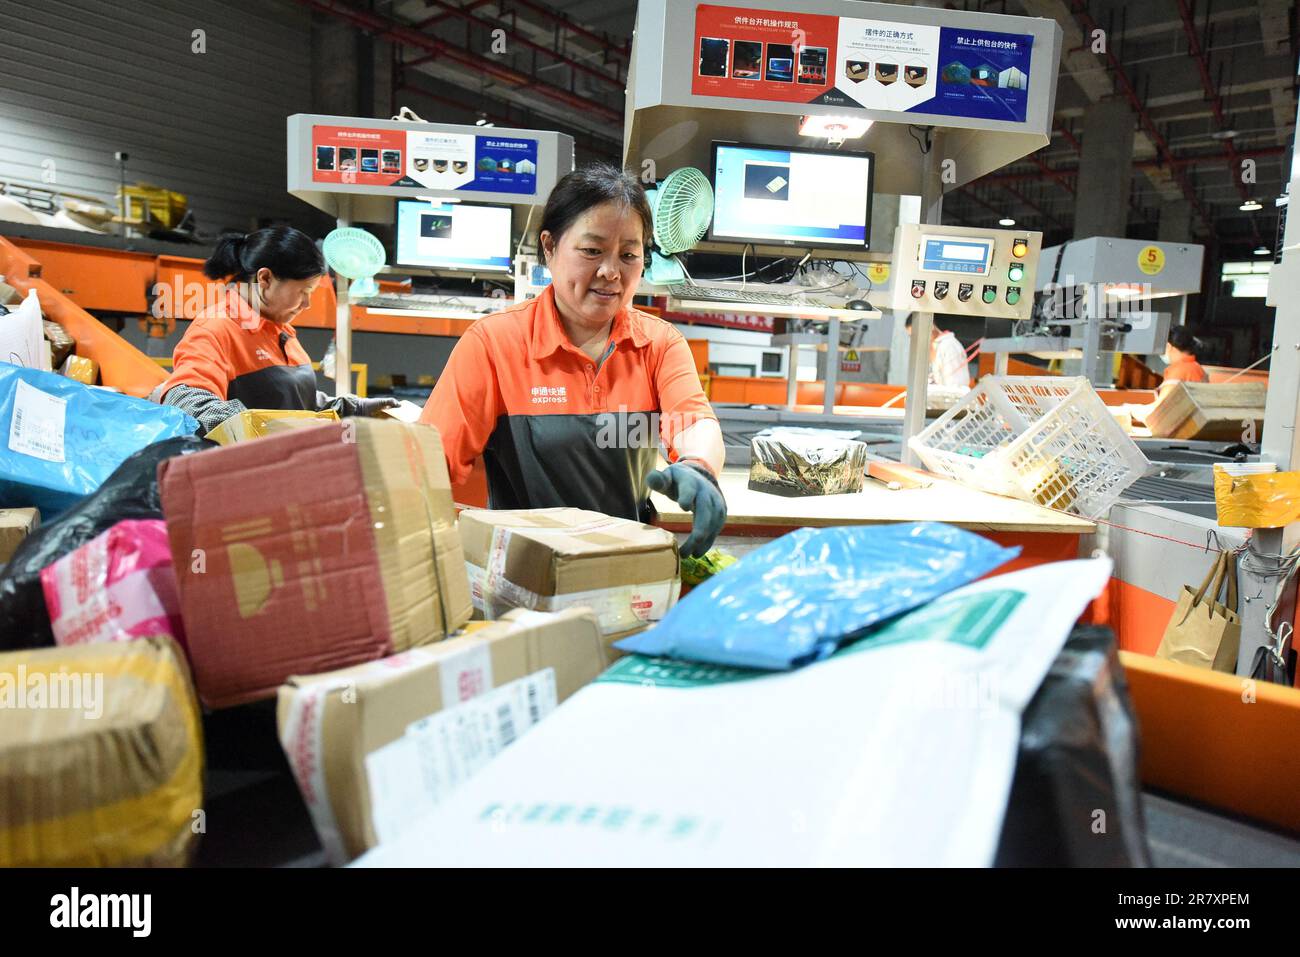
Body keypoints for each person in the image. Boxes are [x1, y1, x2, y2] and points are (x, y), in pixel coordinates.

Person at [421, 163, 727, 557]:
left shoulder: (658, 344)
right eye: (592, 250)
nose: (611, 271)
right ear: (550, 247)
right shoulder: (494, 344)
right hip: (526, 578)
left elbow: (693, 421)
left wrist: (699, 465)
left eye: (629, 255)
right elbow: (430, 466)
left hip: (628, 570)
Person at [159, 226, 396, 432]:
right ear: (265, 279)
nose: (306, 304)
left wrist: (352, 408)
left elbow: (293, 403)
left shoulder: (280, 331)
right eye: (304, 291)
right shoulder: (216, 328)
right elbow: (185, 400)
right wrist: (258, 431)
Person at [904, 315, 971, 389]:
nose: (916, 339)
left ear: (930, 326)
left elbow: (956, 386)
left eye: (918, 333)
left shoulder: (949, 346)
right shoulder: (933, 347)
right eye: (912, 336)